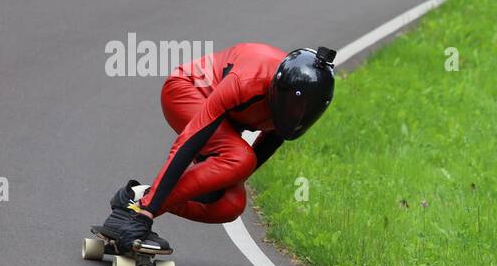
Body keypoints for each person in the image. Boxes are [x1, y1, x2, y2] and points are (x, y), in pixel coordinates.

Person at [98, 43, 336, 252]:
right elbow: (189, 143)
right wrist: (147, 214)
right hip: (187, 90)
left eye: (303, 109)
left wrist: (217, 185)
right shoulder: (247, 82)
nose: (295, 113)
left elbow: (261, 152)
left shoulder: (295, 106)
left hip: (225, 121)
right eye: (291, 104)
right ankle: (139, 211)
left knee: (230, 204)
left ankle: (134, 199)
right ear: (277, 88)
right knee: (240, 158)